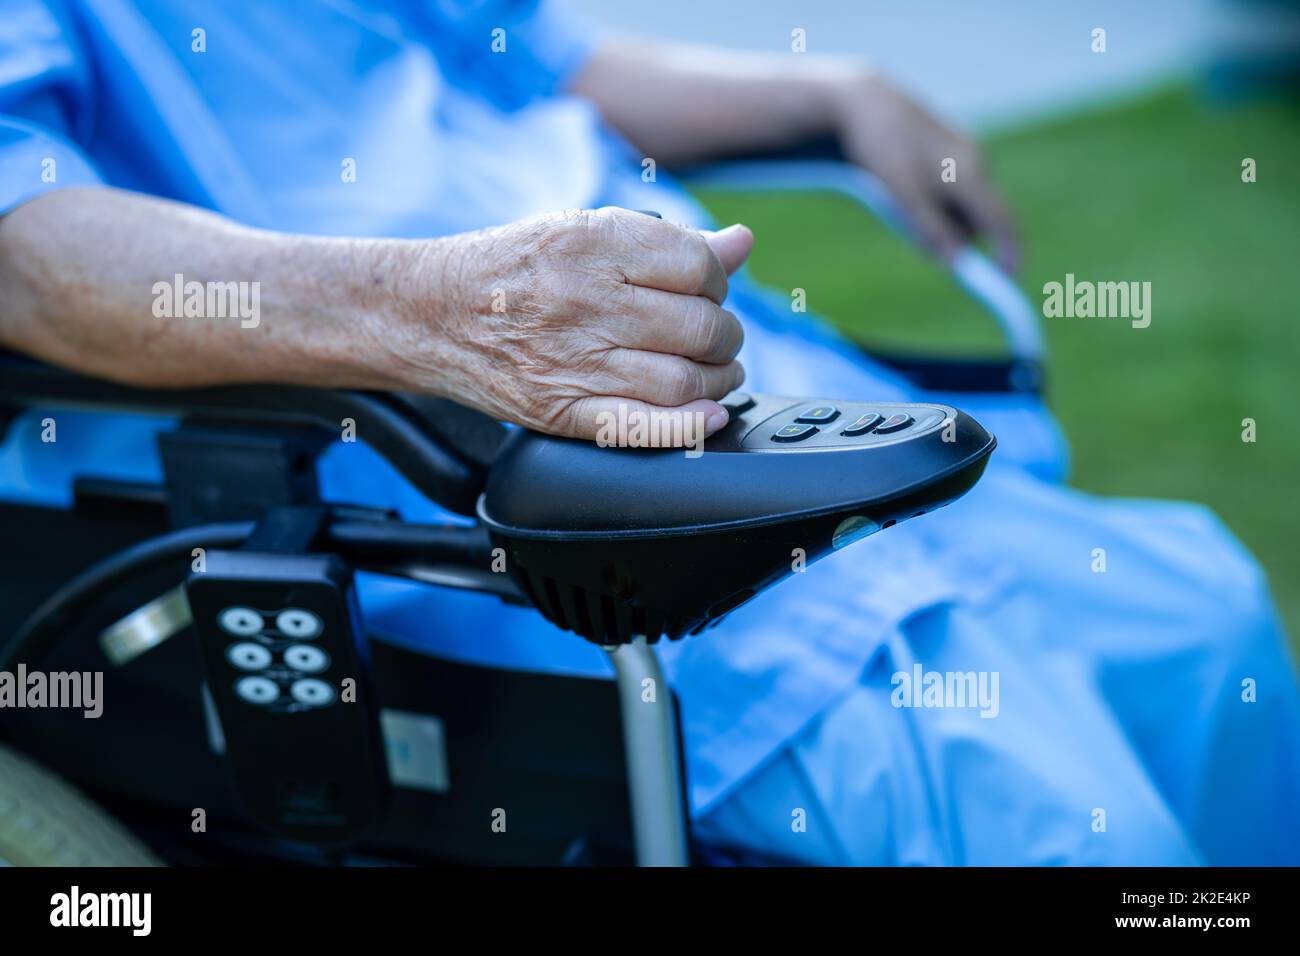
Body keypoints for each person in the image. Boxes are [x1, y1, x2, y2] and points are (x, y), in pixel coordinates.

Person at [1, 0, 1296, 865]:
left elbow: (527, 58)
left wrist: (825, 89)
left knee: (1210, 620)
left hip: (719, 387)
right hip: (447, 485)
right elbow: (27, 251)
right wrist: (433, 310)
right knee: (1084, 837)